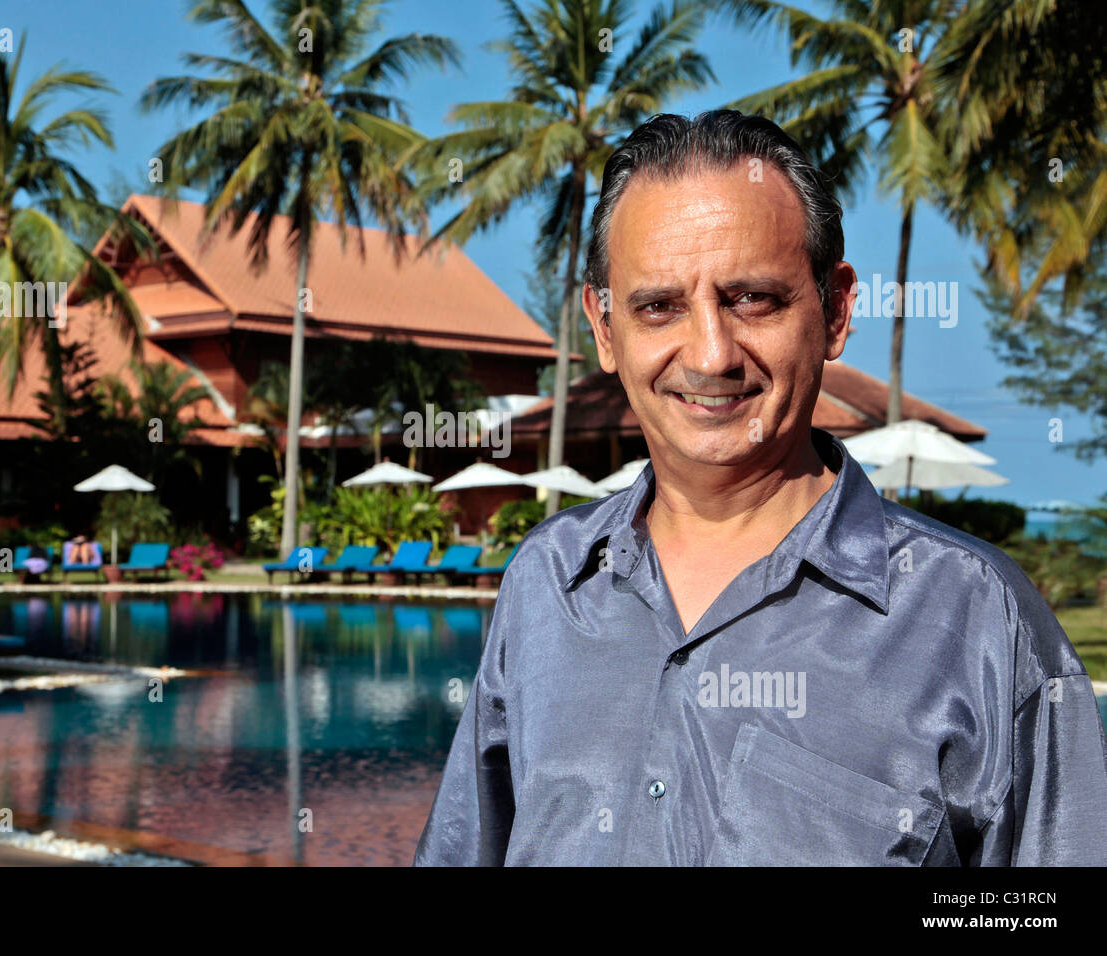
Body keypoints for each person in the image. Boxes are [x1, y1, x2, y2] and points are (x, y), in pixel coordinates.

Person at [414, 110, 1107, 867]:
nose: (711, 355)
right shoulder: (547, 585)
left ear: (836, 310)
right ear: (605, 330)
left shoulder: (976, 621)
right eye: (658, 306)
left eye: (753, 299)